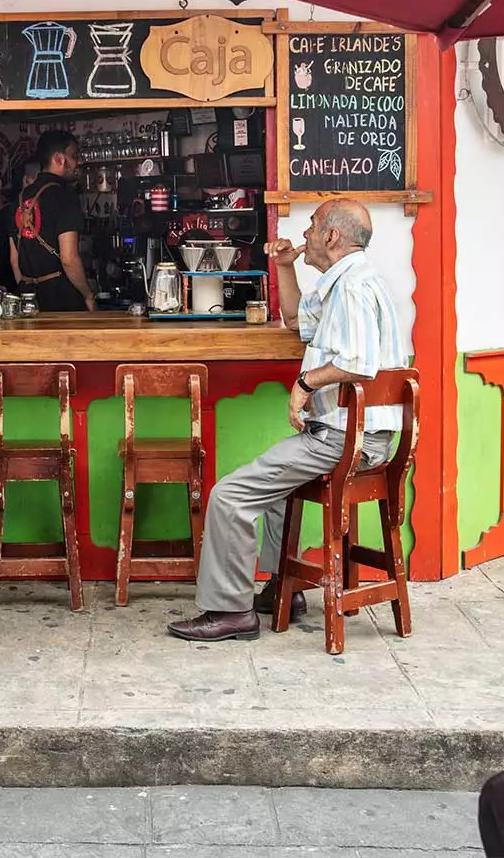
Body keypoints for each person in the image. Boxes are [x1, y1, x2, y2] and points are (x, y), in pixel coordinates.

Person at [168, 198, 407, 641]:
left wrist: (306, 383)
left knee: (228, 497)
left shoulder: (351, 288)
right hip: (355, 435)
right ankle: (286, 587)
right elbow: (298, 321)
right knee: (277, 494)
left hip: (346, 438)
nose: (305, 235)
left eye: (313, 226)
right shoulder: (349, 281)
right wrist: (283, 267)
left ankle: (230, 612)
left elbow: (358, 362)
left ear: (332, 237)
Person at [10, 130, 95, 312]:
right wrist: (88, 296)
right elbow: (68, 259)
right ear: (58, 159)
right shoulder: (65, 197)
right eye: (74, 156)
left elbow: (15, 261)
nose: (78, 162)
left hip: (27, 300)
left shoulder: (19, 198)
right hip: (61, 301)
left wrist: (27, 290)